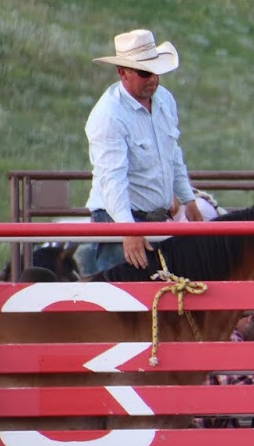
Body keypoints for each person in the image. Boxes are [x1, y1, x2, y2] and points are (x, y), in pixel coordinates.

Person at [83, 29, 200, 274]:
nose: (153, 79)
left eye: (156, 72)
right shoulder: (108, 116)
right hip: (119, 219)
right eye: (145, 72)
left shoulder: (164, 100)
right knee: (123, 303)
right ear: (122, 73)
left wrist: (189, 201)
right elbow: (111, 178)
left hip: (155, 221)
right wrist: (127, 229)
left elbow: (172, 154)